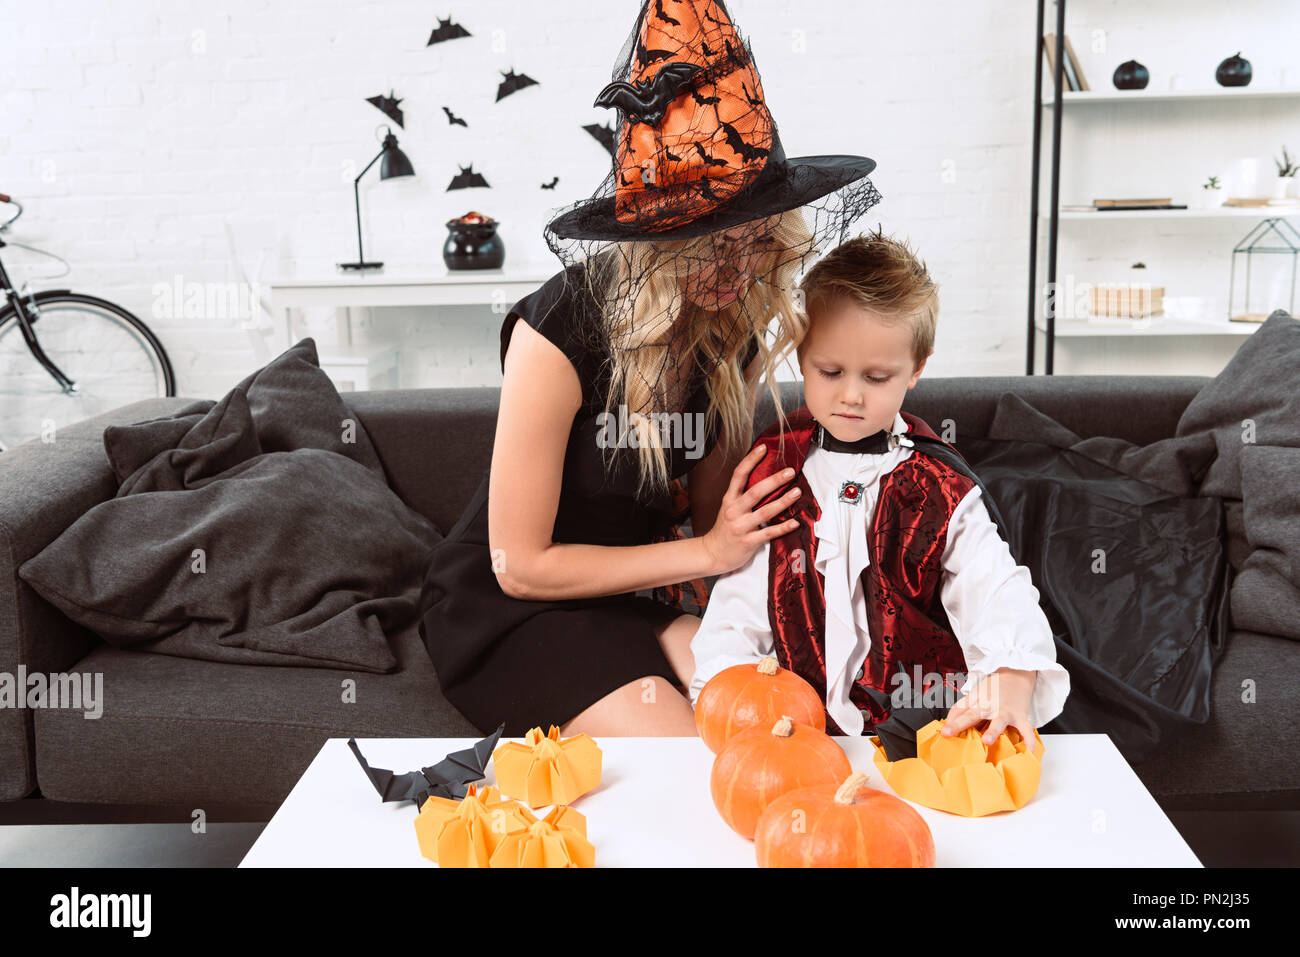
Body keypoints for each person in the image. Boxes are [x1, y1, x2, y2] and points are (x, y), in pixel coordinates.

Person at [417, 0, 882, 737]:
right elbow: (519, 564)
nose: (742, 266)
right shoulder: (560, 330)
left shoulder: (734, 326)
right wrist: (703, 552)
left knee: (776, 726)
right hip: (509, 604)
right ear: (660, 240)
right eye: (714, 243)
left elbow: (713, 521)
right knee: (687, 752)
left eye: (760, 239)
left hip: (636, 594)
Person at [687, 229, 1071, 752]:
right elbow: (741, 607)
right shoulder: (777, 473)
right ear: (801, 355)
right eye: (830, 371)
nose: (850, 396)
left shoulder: (936, 487)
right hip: (794, 730)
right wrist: (729, 690)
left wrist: (1011, 673)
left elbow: (994, 582)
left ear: (916, 369)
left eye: (876, 377)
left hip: (917, 720)